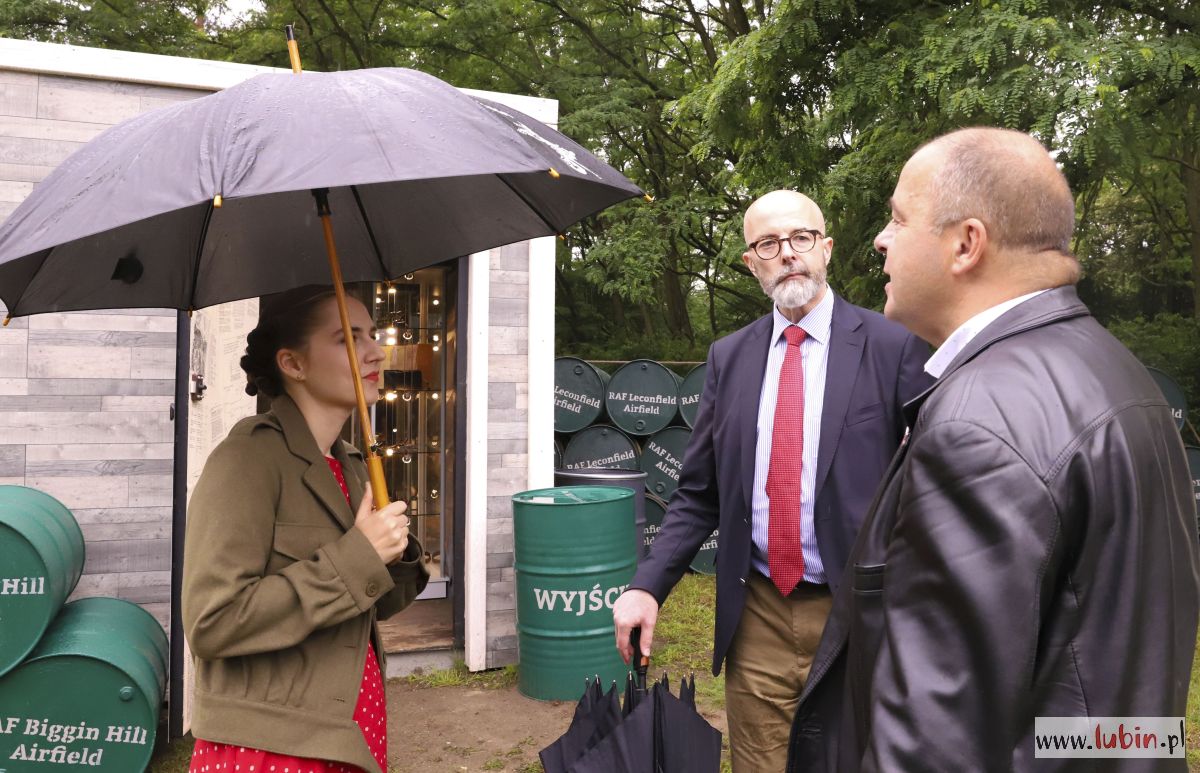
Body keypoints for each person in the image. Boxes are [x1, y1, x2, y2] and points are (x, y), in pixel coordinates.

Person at [787, 128, 1200, 773]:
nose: (881, 239)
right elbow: (1118, 694)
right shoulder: (1124, 378)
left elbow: (937, 748)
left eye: (898, 219)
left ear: (965, 244)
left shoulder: (979, 425)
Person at [612, 190, 933, 771]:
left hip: (856, 613)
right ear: (750, 262)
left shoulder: (894, 346)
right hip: (757, 610)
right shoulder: (729, 357)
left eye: (800, 238)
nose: (787, 253)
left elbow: (930, 486)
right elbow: (699, 493)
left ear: (826, 248)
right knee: (762, 763)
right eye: (767, 244)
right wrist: (646, 585)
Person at [183, 285, 429, 773]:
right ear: (293, 365)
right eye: (347, 338)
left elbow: (367, 603)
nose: (375, 351)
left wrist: (394, 554)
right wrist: (360, 554)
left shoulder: (351, 464)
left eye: (372, 335)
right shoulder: (247, 460)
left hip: (349, 731)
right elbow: (212, 622)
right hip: (274, 746)